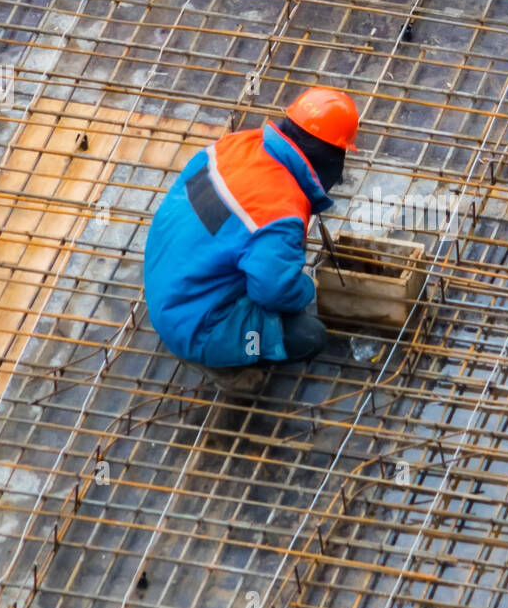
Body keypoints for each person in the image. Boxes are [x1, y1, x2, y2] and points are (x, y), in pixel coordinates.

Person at [143, 87, 359, 390]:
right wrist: (307, 288)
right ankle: (223, 363)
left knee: (254, 262)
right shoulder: (280, 210)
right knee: (307, 336)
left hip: (164, 282)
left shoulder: (235, 145)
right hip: (194, 328)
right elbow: (273, 292)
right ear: (331, 156)